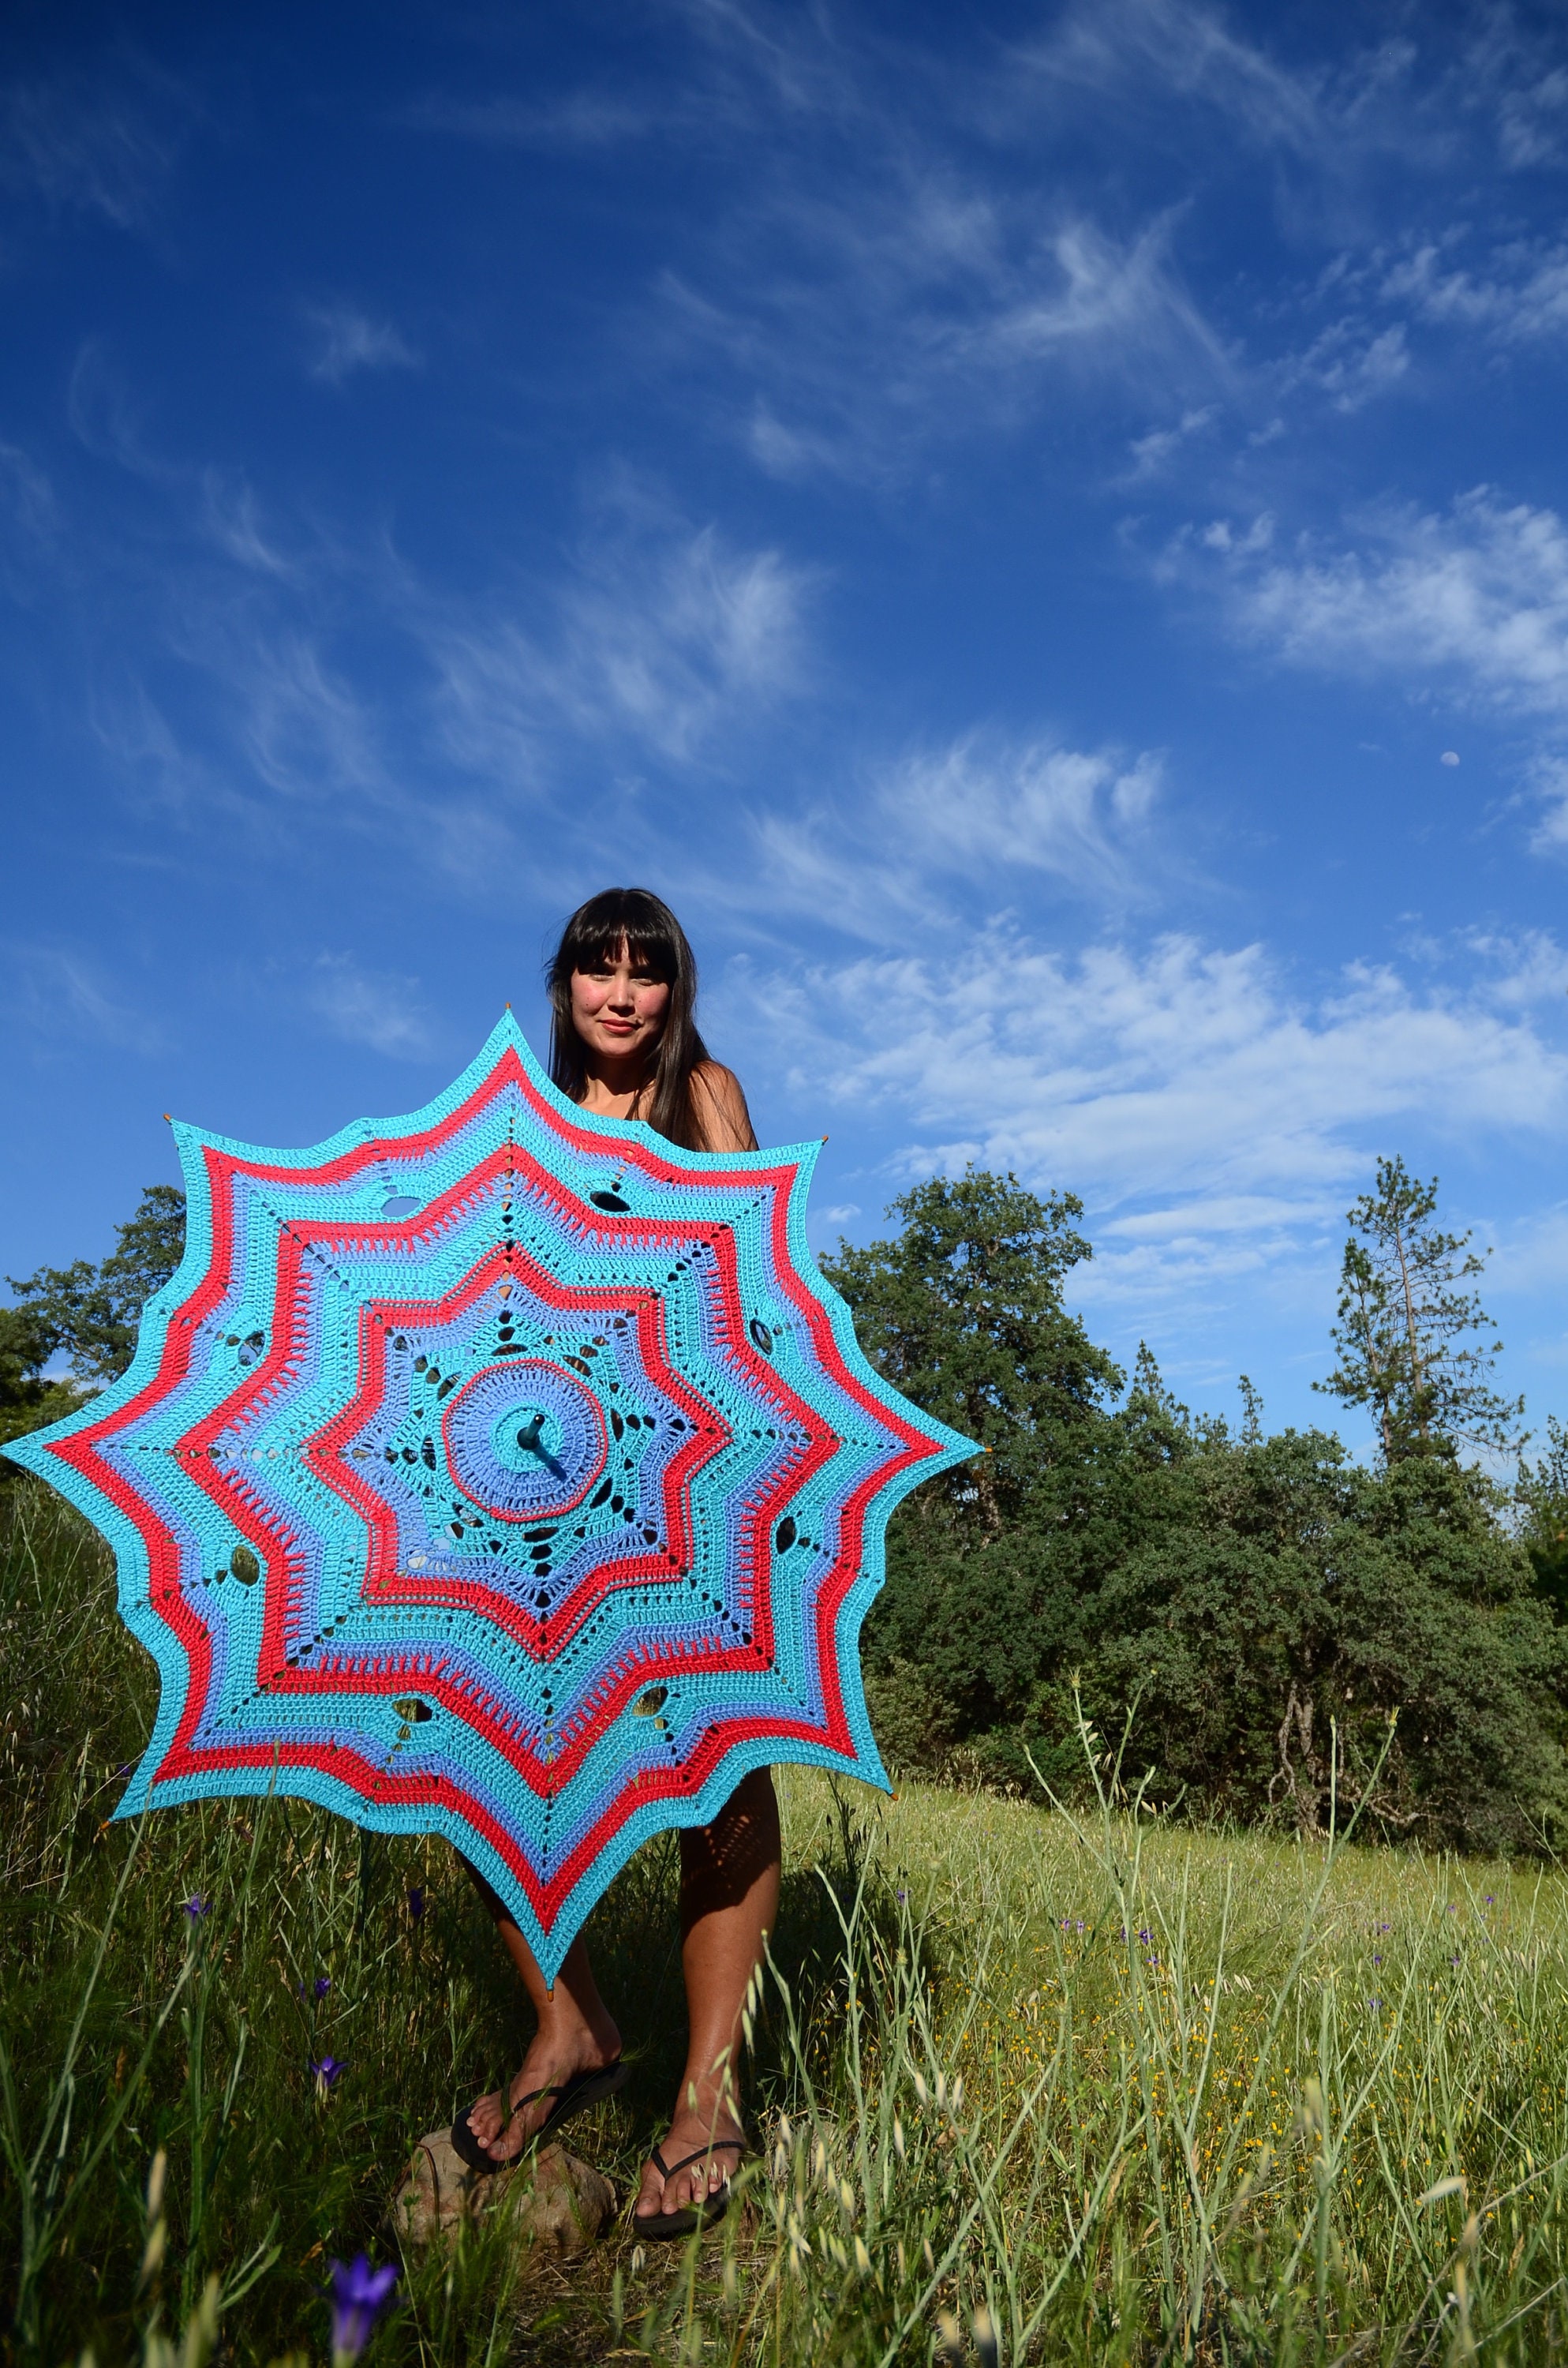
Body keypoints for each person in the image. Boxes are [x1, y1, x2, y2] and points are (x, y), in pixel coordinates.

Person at [451, 886, 781, 2242]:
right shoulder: (515, 1123)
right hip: (534, 1494)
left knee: (718, 1758)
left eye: (649, 971)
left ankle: (709, 2094)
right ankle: (568, 2023)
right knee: (460, 1746)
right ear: (567, 981)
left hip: (679, 1469)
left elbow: (750, 1276)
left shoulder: (703, 1094)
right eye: (601, 968)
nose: (624, 994)